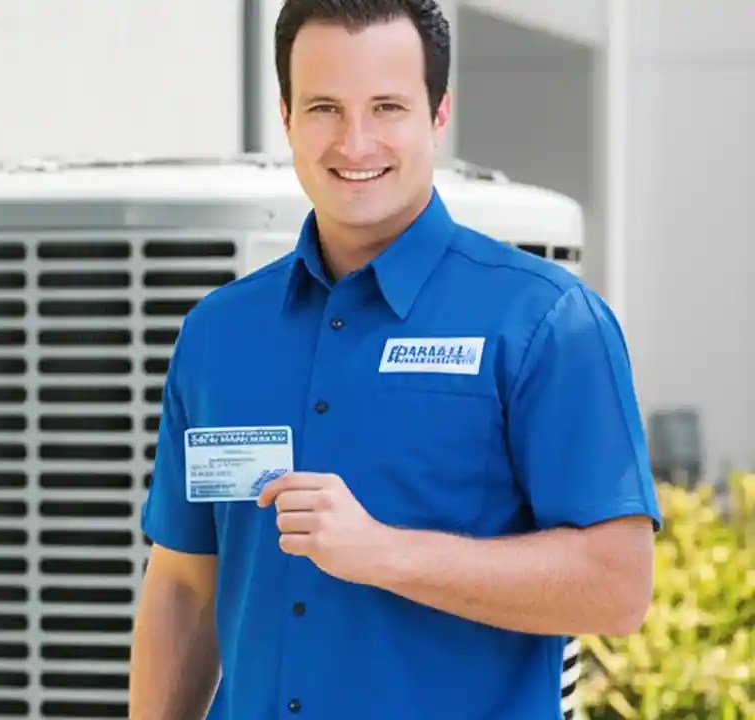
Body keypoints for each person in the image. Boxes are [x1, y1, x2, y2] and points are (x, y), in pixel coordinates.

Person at [128, 1, 660, 718]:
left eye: (387, 107)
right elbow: (185, 586)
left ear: (439, 114)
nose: (355, 142)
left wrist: (386, 553)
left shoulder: (547, 321)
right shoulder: (218, 335)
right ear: (286, 118)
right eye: (324, 108)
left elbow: (617, 586)